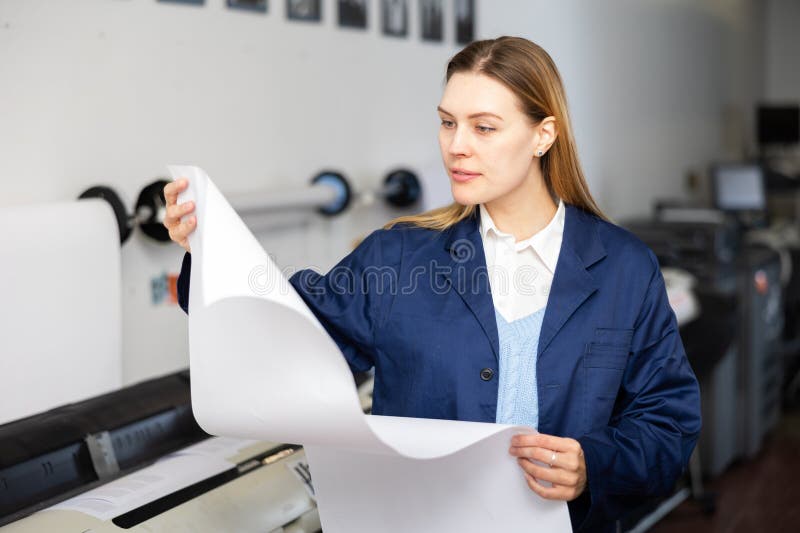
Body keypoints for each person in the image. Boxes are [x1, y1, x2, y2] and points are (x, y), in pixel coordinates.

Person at [163, 36, 701, 532]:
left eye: (483, 127)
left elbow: (668, 423)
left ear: (544, 134)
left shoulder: (624, 269)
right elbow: (286, 330)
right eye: (448, 123)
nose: (456, 146)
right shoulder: (397, 258)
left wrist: (592, 465)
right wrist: (207, 251)